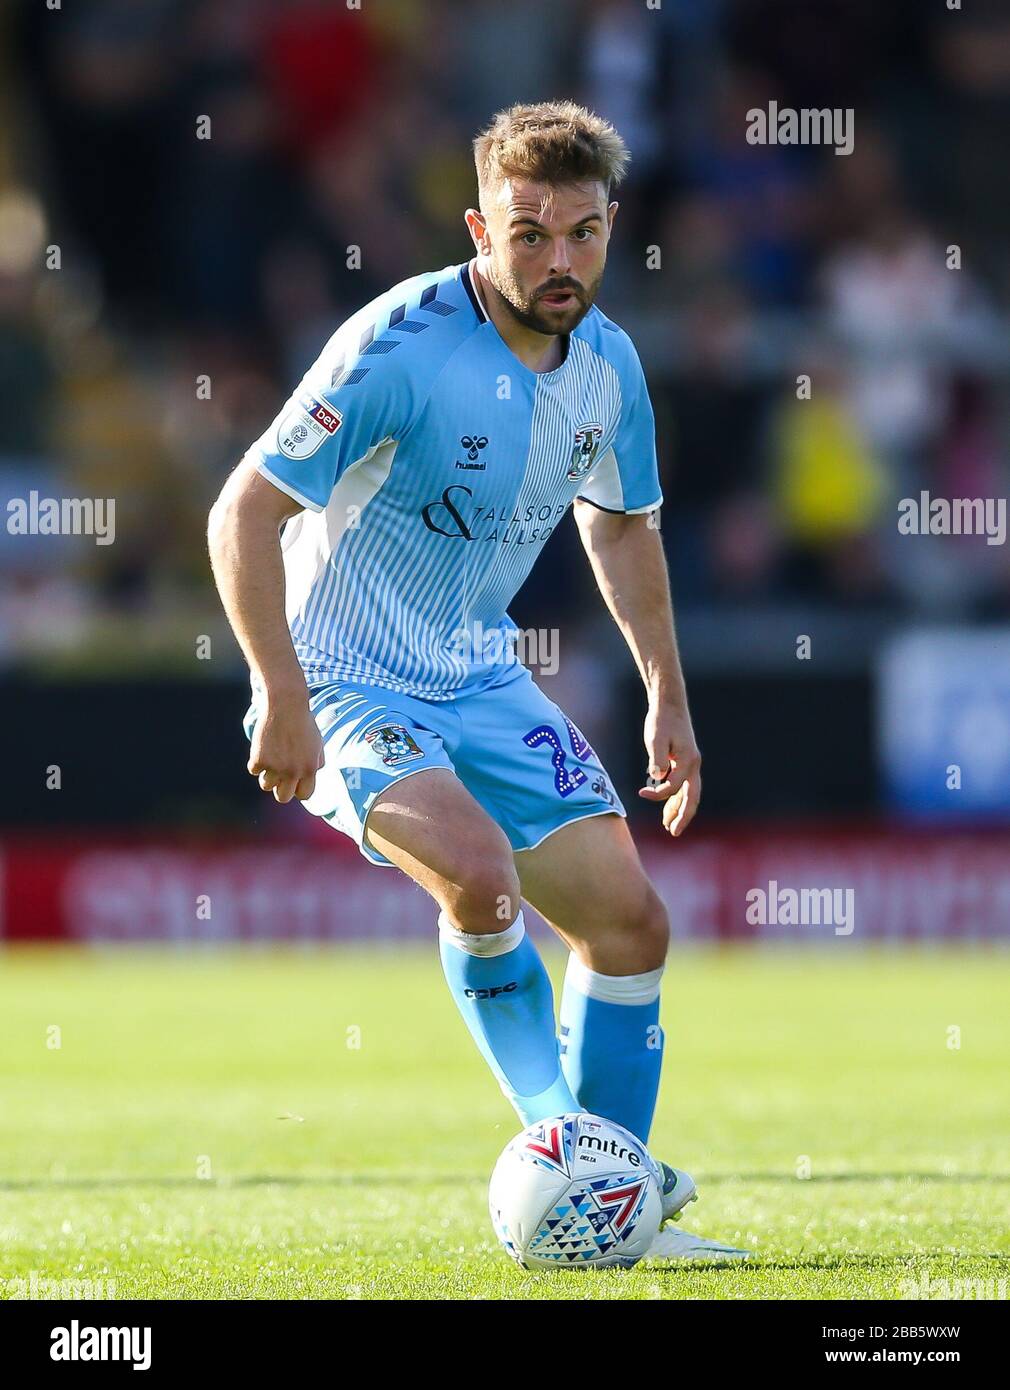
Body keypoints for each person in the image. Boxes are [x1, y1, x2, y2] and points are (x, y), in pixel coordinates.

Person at [209, 100, 745, 1262]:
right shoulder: (399, 344)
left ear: (612, 227)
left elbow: (621, 524)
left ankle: (615, 1216)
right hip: (347, 680)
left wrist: (667, 693)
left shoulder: (606, 361)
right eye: (530, 233)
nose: (560, 261)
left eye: (585, 235)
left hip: (477, 672)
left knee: (629, 923)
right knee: (477, 873)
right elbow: (242, 508)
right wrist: (280, 687)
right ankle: (566, 1142)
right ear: (477, 225)